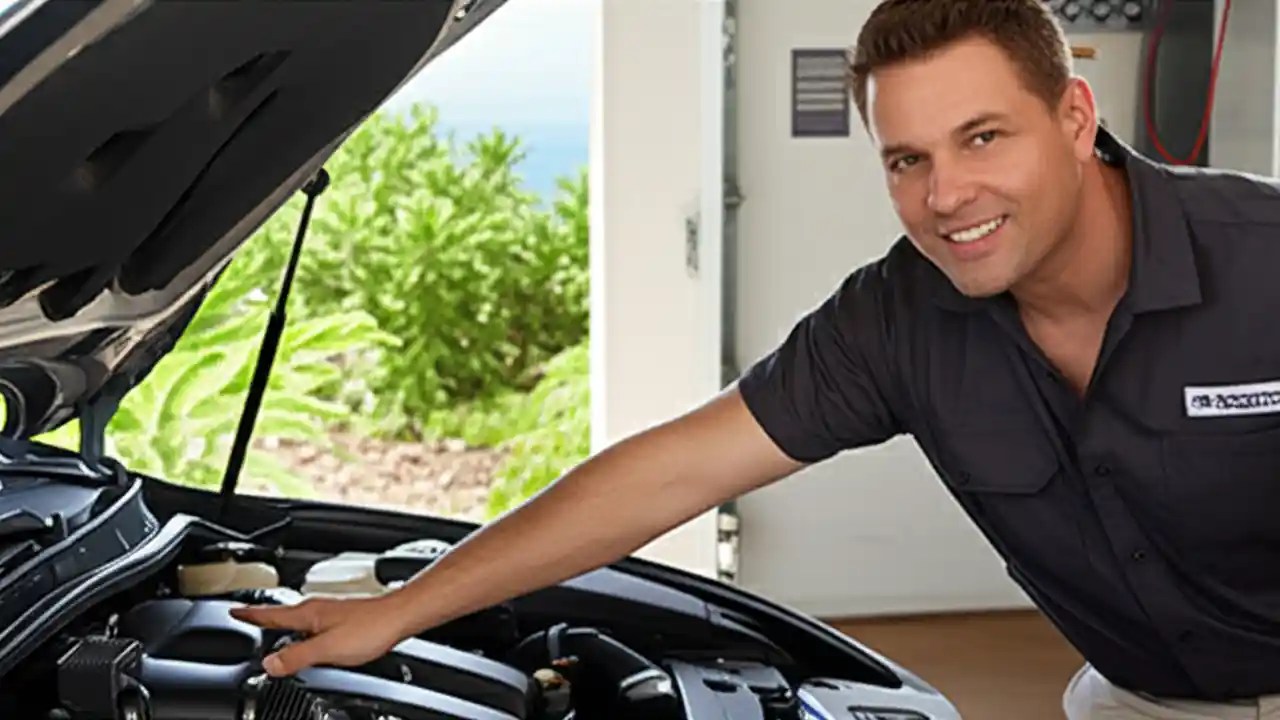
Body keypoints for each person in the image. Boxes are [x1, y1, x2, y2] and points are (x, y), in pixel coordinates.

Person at [231, 0, 1280, 717]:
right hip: (1133, 696)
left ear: (1072, 116)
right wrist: (398, 612)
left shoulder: (1261, 263)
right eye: (905, 159)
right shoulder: (897, 320)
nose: (944, 195)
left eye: (981, 138)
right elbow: (670, 471)